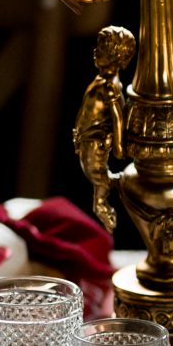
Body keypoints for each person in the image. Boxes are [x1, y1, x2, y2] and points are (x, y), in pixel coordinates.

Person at [75, 25, 132, 232]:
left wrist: (119, 146)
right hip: (86, 139)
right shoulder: (104, 81)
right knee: (96, 177)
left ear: (116, 56)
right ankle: (104, 204)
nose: (95, 52)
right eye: (97, 47)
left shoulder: (110, 86)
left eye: (102, 49)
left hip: (95, 140)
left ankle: (104, 209)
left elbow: (118, 116)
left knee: (97, 177)